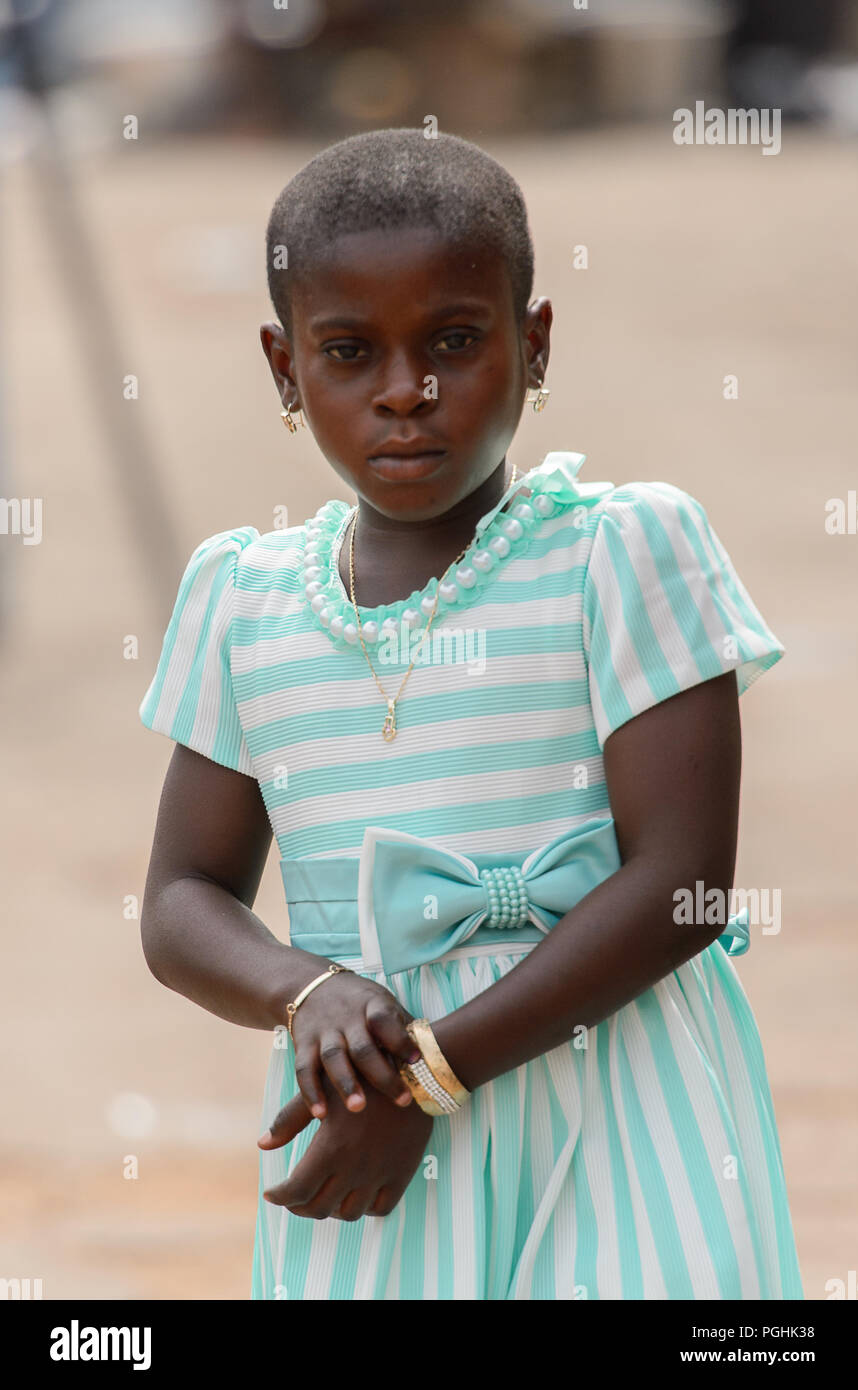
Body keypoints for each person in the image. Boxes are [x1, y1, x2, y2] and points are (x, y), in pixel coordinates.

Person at [138, 127, 803, 1300]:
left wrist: (429, 1079)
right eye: (349, 351)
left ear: (533, 344)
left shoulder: (621, 552)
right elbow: (182, 900)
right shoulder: (241, 604)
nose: (408, 390)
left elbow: (683, 883)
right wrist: (310, 991)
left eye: (455, 339)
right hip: (360, 1130)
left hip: (621, 1100)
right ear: (284, 369)